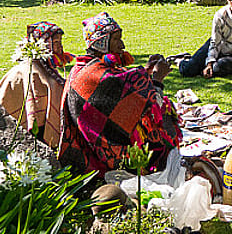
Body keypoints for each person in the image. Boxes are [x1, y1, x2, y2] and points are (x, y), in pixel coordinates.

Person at [59, 12, 182, 176]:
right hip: (105, 161)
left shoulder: (85, 67)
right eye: (116, 39)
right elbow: (145, 103)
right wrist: (157, 80)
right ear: (101, 42)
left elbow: (123, 90)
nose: (122, 45)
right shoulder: (95, 75)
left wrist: (146, 73)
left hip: (90, 151)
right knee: (160, 137)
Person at [0, 21, 76, 150]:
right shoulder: (32, 71)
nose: (60, 48)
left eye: (60, 42)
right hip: (21, 131)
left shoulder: (46, 68)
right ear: (43, 45)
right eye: (56, 43)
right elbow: (35, 109)